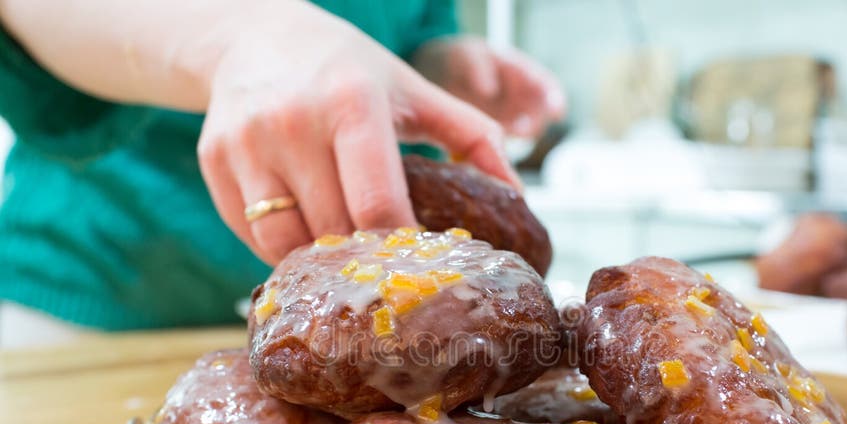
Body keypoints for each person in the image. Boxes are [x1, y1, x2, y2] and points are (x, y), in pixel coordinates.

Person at [0, 0, 564, 345]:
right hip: (92, 292)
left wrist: (436, 63)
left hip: (378, 333)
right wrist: (237, 36)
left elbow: (405, 21)